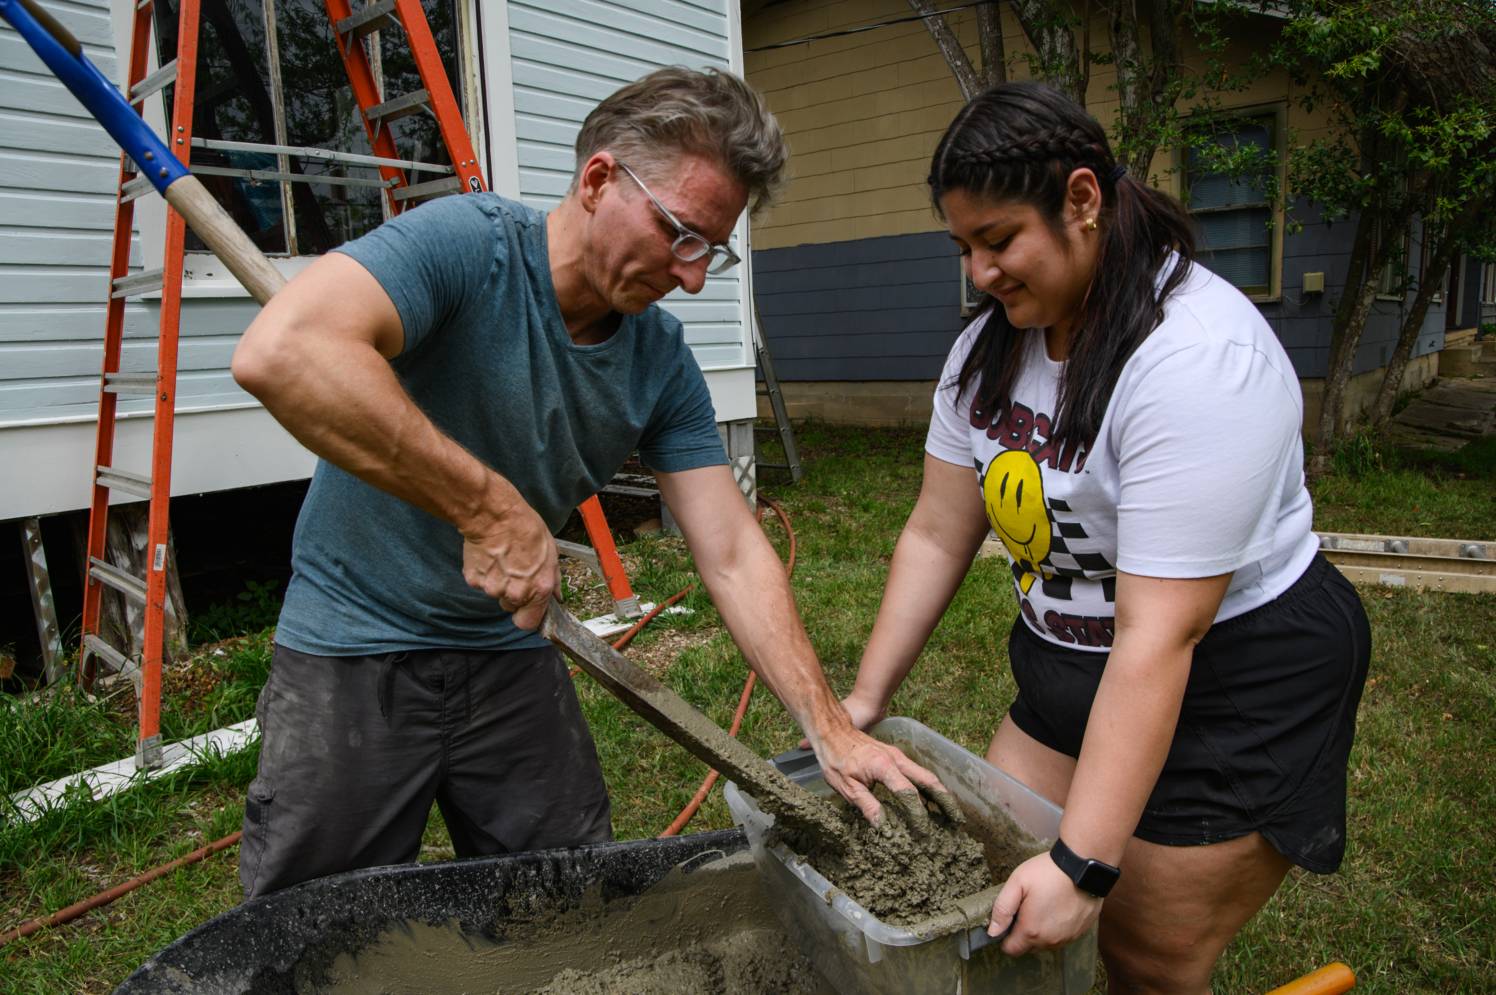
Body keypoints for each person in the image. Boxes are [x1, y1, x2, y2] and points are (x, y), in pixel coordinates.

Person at [229, 66, 944, 899]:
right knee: (309, 930)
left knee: (578, 904)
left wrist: (827, 727)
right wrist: (488, 506)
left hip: (510, 647)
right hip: (354, 643)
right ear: (599, 180)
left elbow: (732, 550)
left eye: (710, 249)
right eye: (681, 233)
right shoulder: (469, 248)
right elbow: (283, 351)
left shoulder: (658, 363)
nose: (693, 276)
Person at [841, 82, 1371, 993]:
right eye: (963, 247)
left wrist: (1085, 863)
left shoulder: (1197, 360)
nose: (978, 272)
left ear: (1082, 200)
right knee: (996, 888)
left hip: (1233, 678)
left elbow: (1160, 633)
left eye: (999, 240)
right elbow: (937, 532)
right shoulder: (990, 350)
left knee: (1142, 952)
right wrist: (861, 704)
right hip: (1071, 664)